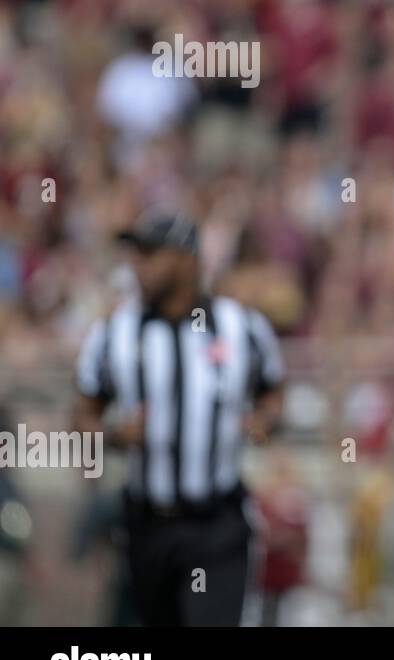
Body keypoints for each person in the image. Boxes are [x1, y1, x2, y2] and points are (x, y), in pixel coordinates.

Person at [74, 211, 285, 626]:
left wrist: (264, 420)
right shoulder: (115, 333)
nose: (138, 266)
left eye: (151, 254)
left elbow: (273, 391)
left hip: (216, 523)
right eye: (136, 255)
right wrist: (114, 435)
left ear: (187, 259)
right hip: (148, 525)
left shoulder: (240, 327)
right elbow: (83, 413)